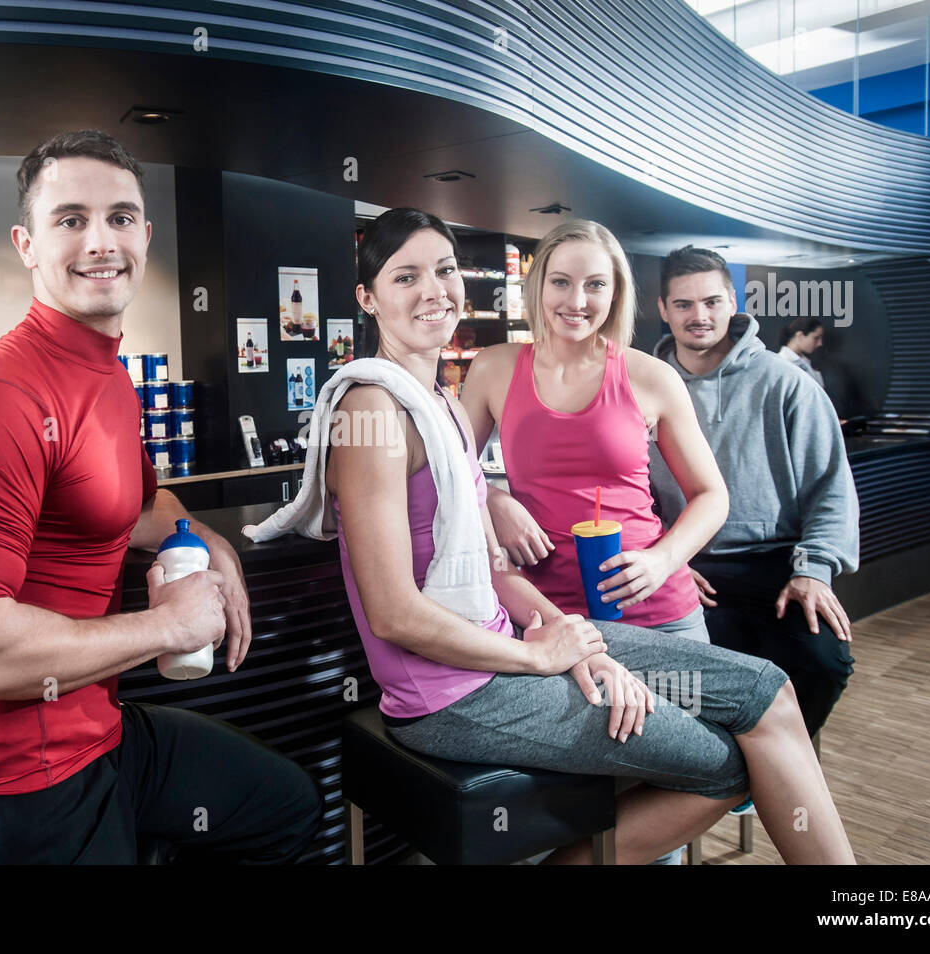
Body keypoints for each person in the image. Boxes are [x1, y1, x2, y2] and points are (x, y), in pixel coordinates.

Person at [322, 208, 856, 864]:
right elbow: (397, 608)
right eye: (407, 276)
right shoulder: (400, 399)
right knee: (718, 762)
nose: (433, 290)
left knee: (769, 692)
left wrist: (611, 610)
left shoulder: (437, 402)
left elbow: (471, 538)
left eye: (444, 270)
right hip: (483, 668)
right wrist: (544, 642)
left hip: (593, 623)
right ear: (368, 297)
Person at [0, 129, 321, 864]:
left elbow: (132, 500)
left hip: (99, 734)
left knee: (282, 807)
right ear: (25, 243)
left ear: (145, 236)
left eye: (119, 218)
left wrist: (199, 535)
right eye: (70, 220)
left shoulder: (108, 377)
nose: (101, 241)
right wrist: (166, 628)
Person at [460, 221, 726, 649]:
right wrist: (494, 497)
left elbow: (712, 495)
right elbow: (450, 472)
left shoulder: (652, 377)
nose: (577, 301)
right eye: (561, 282)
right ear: (539, 286)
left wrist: (662, 561)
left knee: (694, 716)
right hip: (545, 614)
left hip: (657, 609)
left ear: (615, 292)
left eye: (595, 285)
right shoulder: (493, 367)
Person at [650, 246, 858, 743]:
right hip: (688, 567)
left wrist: (814, 571)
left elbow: (830, 488)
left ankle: (767, 771)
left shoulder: (788, 384)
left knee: (824, 664)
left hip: (778, 565)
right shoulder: (642, 388)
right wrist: (668, 558)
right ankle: (734, 777)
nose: (699, 316)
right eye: (683, 305)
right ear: (662, 308)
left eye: (711, 302)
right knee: (689, 683)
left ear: (733, 302)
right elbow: (627, 491)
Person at [778, 317, 826, 388]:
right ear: (800, 335)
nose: (820, 343)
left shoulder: (806, 362)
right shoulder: (781, 363)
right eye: (816, 338)